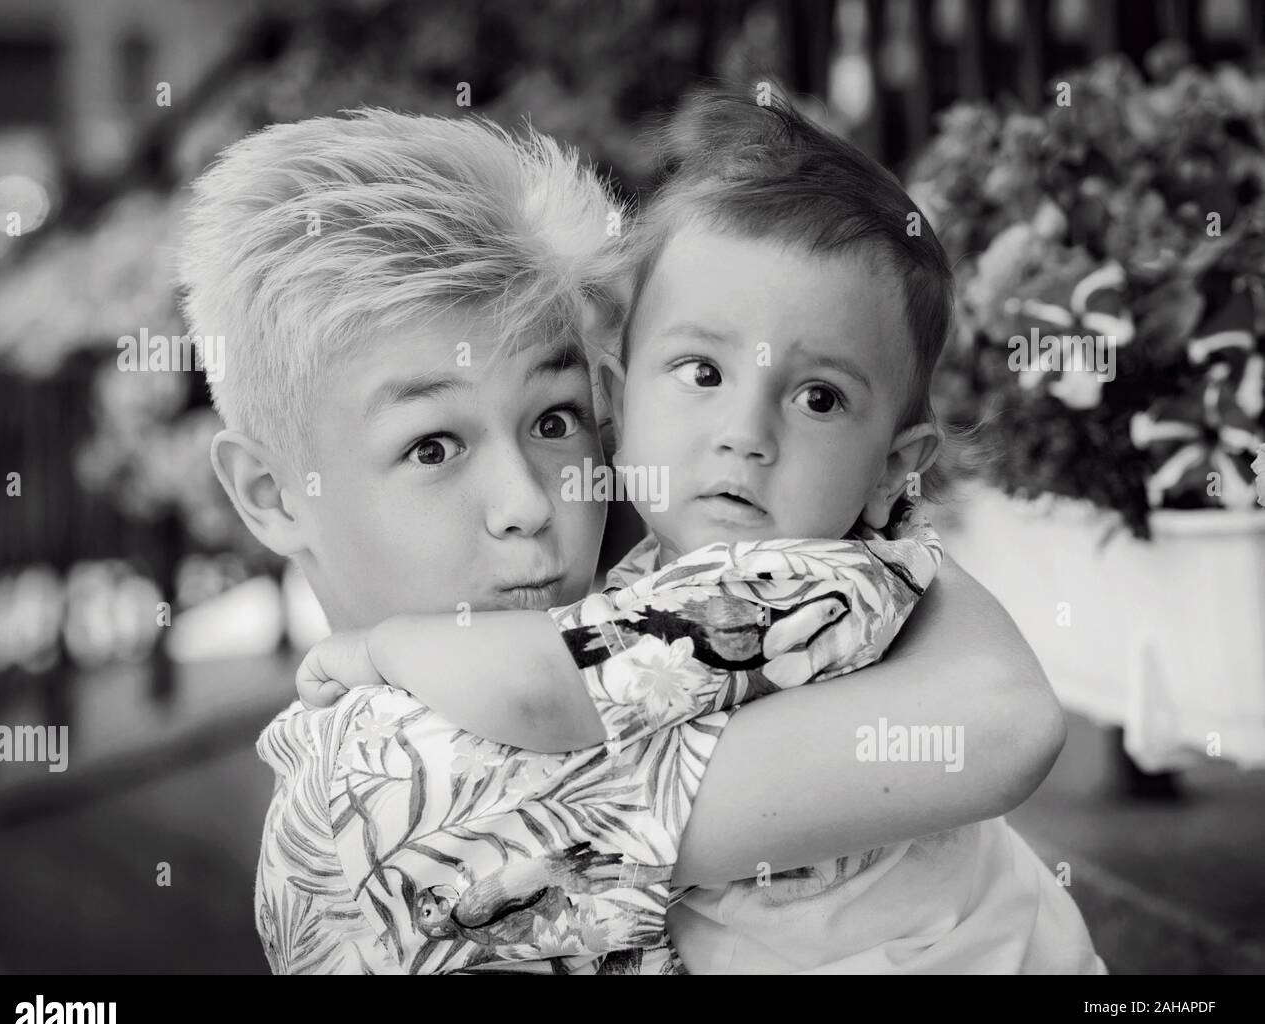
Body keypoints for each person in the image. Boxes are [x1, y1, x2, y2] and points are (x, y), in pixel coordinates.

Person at [177, 106, 1072, 974]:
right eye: (432, 447)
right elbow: (1001, 721)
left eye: (556, 419)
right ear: (269, 492)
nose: (527, 502)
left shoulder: (668, 616)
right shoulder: (403, 785)